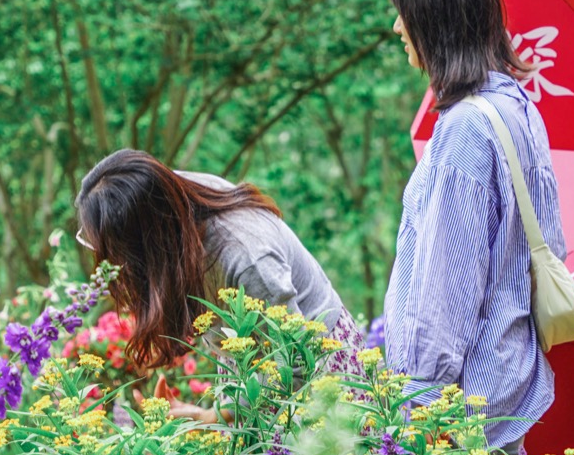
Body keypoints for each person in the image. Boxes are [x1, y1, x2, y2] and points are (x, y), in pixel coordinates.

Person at [382, 0, 569, 455]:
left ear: (435, 22)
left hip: (457, 413)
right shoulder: (516, 106)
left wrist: (419, 405)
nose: (397, 28)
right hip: (503, 383)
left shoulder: (465, 128)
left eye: (405, 14)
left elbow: (449, 284)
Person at [76, 150, 365, 422]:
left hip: (318, 377)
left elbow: (294, 368)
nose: (112, 266)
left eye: (113, 253)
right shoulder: (167, 203)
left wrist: (219, 415)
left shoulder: (248, 259)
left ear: (145, 246)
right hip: (257, 369)